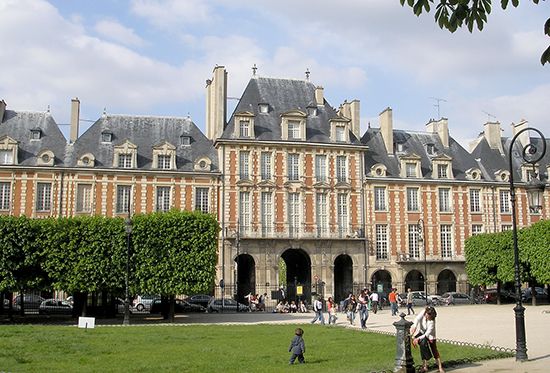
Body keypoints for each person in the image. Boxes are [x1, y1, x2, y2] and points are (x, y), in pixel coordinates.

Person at [411, 306, 445, 373]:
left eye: (430, 317)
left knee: (434, 350)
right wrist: (414, 327)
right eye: (427, 316)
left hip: (430, 335)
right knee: (423, 348)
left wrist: (417, 339)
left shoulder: (432, 322)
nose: (428, 317)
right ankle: (425, 366)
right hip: (422, 332)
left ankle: (440, 367)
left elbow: (426, 334)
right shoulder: (424, 312)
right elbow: (417, 319)